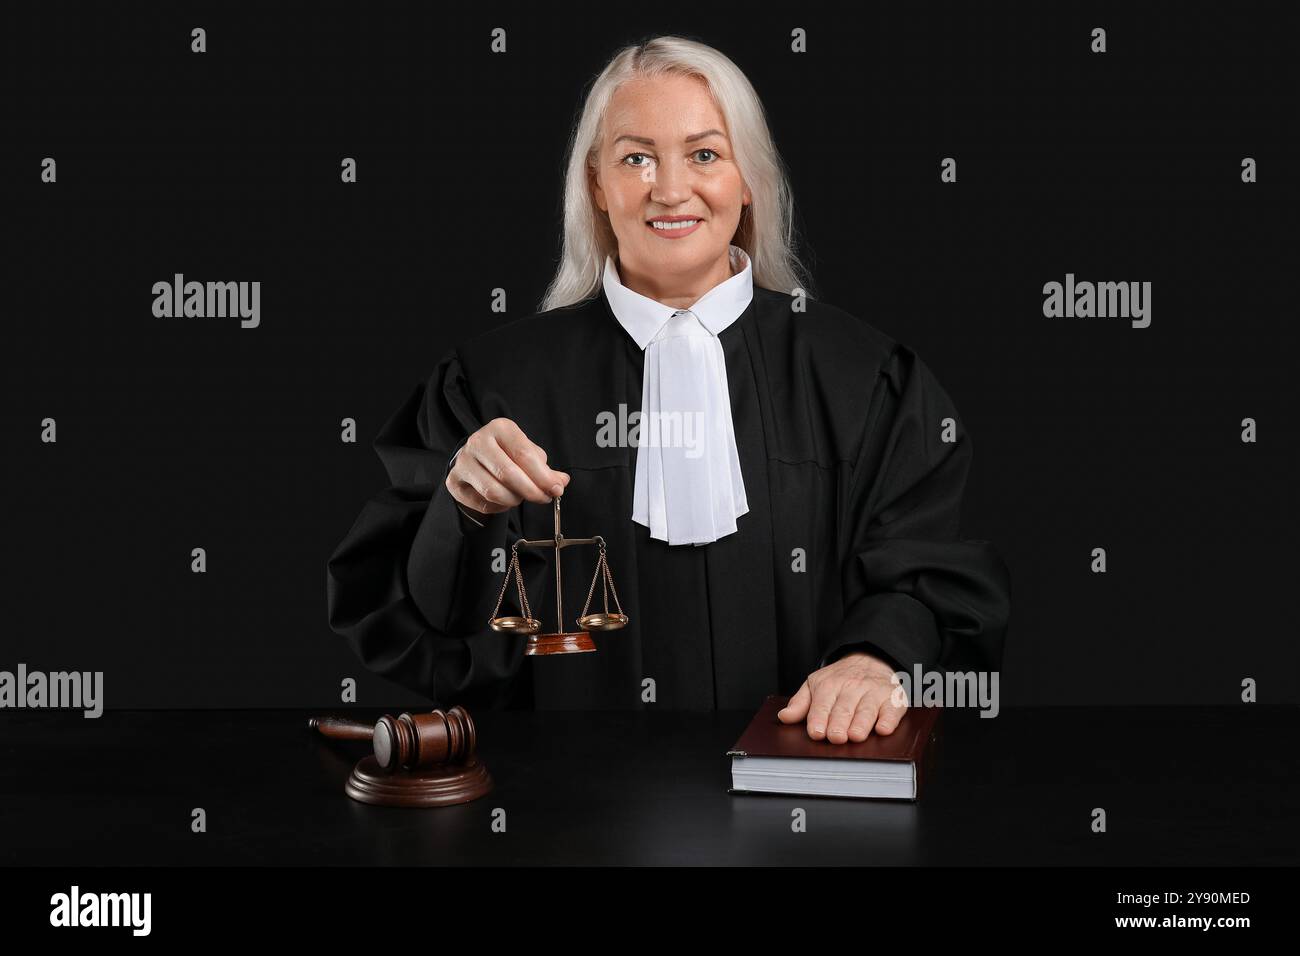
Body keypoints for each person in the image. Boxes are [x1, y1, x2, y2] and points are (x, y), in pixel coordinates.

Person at [326, 35, 1010, 744]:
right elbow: (415, 634)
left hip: (802, 805)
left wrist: (875, 657)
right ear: (596, 183)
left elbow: (930, 575)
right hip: (562, 818)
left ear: (749, 179)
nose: (671, 189)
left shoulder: (864, 378)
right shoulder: (492, 385)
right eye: (636, 158)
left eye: (705, 154)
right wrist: (460, 507)